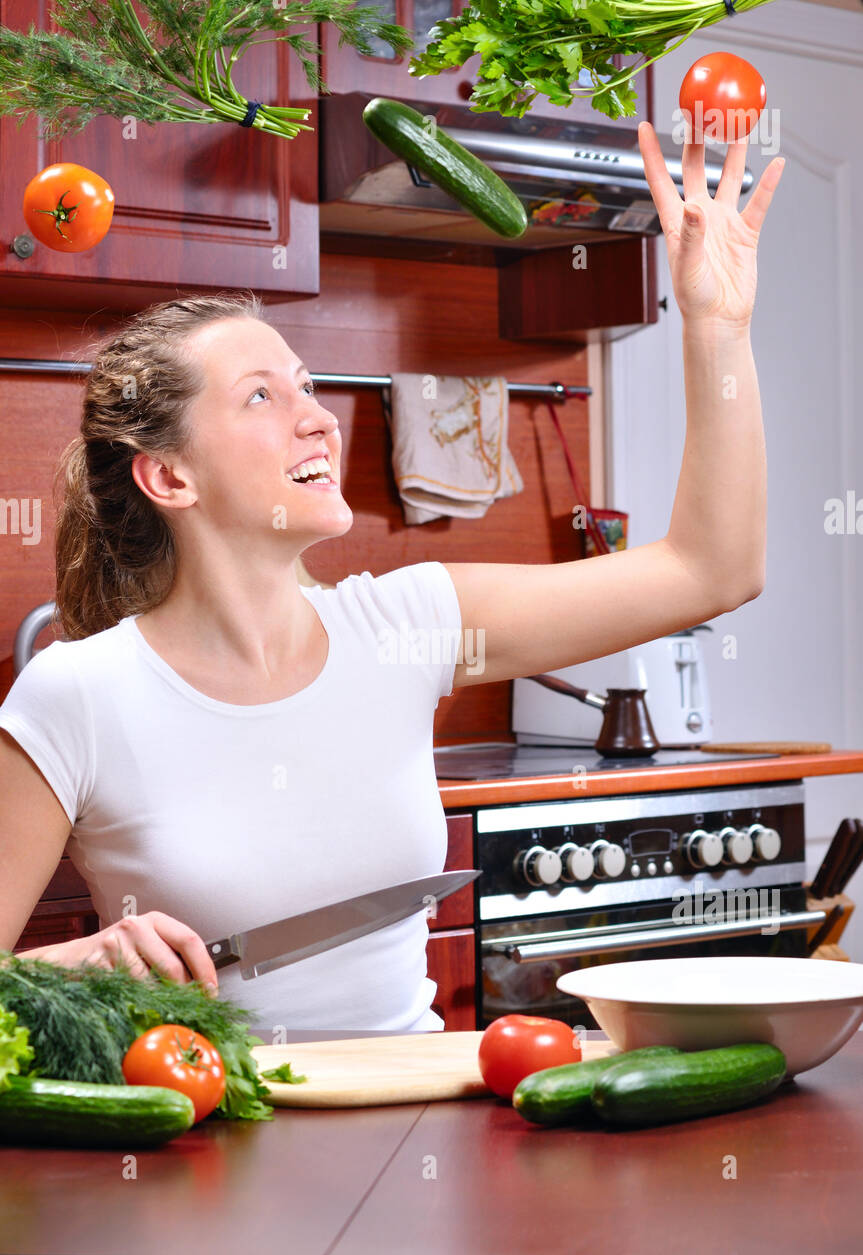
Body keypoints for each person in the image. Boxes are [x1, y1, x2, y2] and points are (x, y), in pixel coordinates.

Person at [0, 125, 784, 1030]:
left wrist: (717, 327)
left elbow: (712, 569)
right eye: (263, 396)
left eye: (306, 385)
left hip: (417, 1108)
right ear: (170, 477)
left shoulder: (411, 625)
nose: (318, 419)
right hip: (210, 1134)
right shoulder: (77, 694)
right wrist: (74, 966)